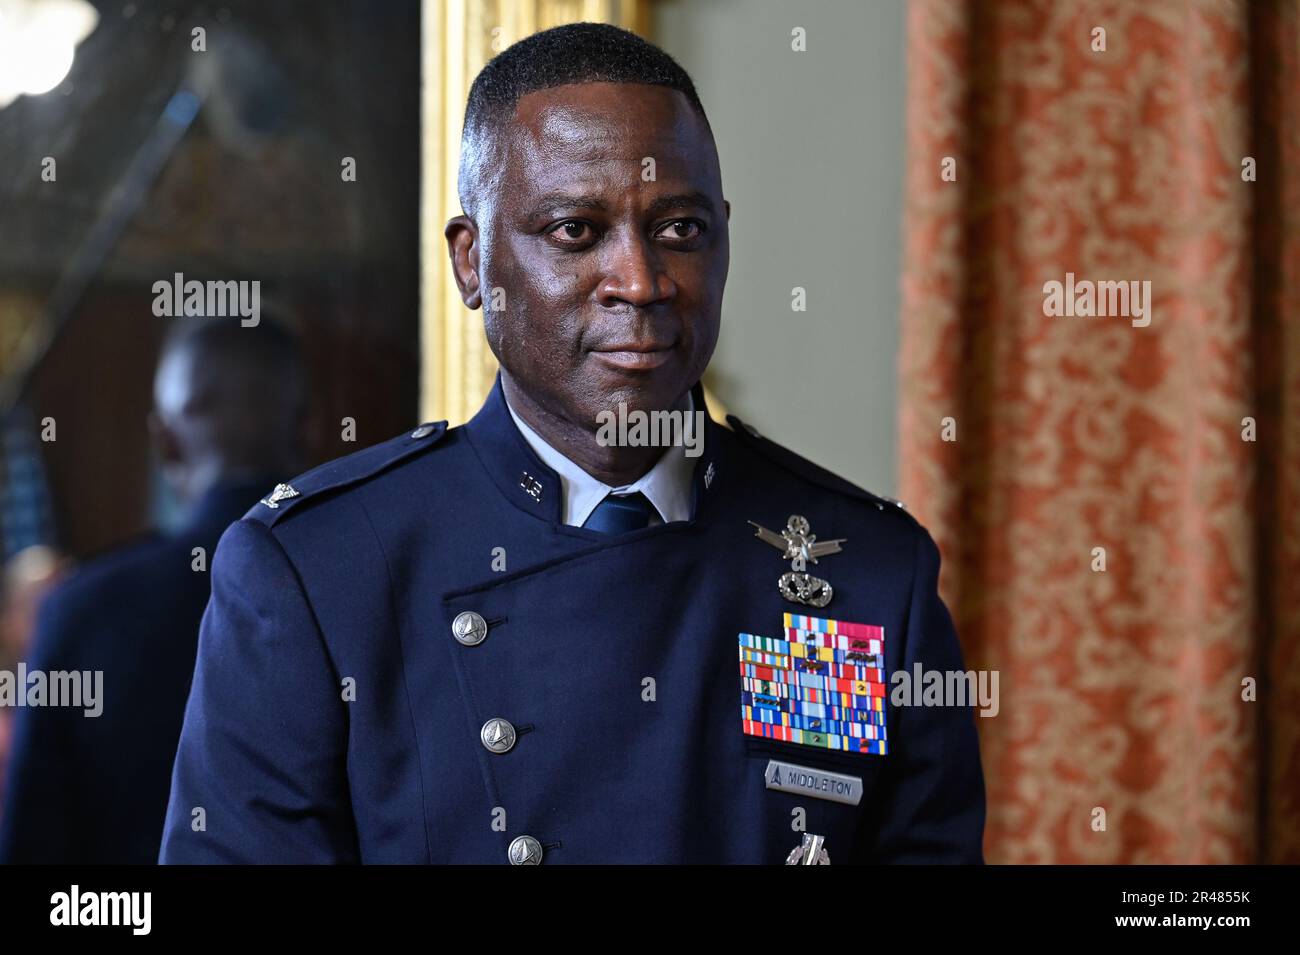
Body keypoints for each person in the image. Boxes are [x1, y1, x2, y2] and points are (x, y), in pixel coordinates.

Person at [161, 23, 984, 865]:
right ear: (473, 264)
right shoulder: (320, 571)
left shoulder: (869, 571)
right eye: (576, 232)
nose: (640, 280)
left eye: (680, 230)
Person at [0, 316, 309, 864]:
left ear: (165, 442)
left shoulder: (82, 611)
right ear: (308, 427)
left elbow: (29, 847)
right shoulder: (377, 589)